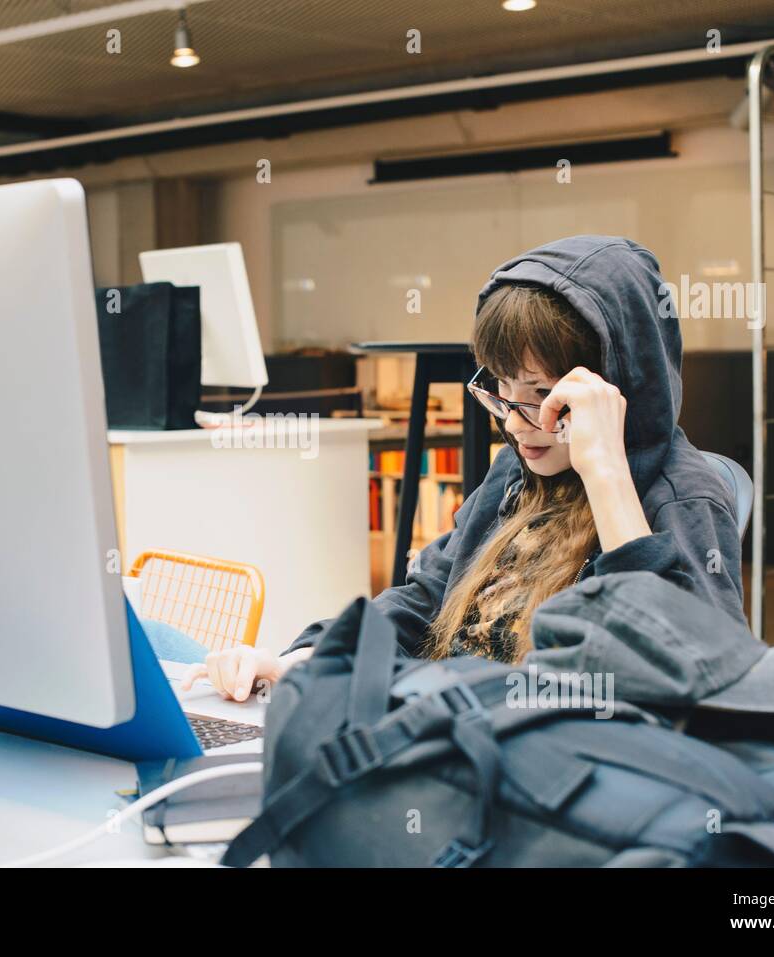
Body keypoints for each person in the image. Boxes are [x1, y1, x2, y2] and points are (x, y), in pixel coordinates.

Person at [184, 235, 745, 702]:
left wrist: (608, 477)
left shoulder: (682, 498)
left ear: (614, 388)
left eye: (544, 394)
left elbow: (690, 676)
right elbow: (425, 598)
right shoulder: (515, 475)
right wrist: (311, 657)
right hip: (447, 732)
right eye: (501, 389)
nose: (517, 422)